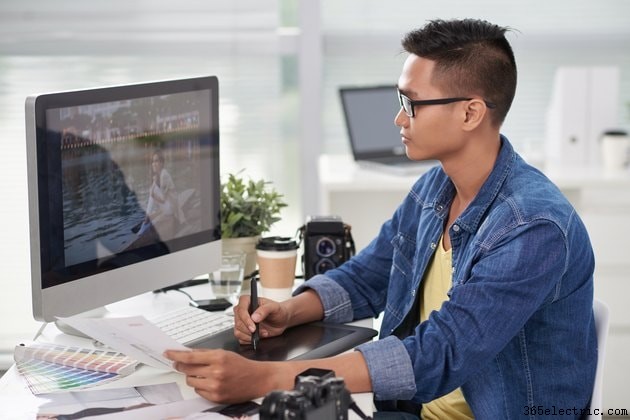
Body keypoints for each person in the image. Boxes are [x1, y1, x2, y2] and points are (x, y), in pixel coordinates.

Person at [165, 18, 597, 419]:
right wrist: (290, 310)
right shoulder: (436, 188)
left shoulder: (532, 226)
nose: (398, 119)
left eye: (411, 104)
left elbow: (440, 353)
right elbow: (369, 275)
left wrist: (263, 378)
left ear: (470, 113)